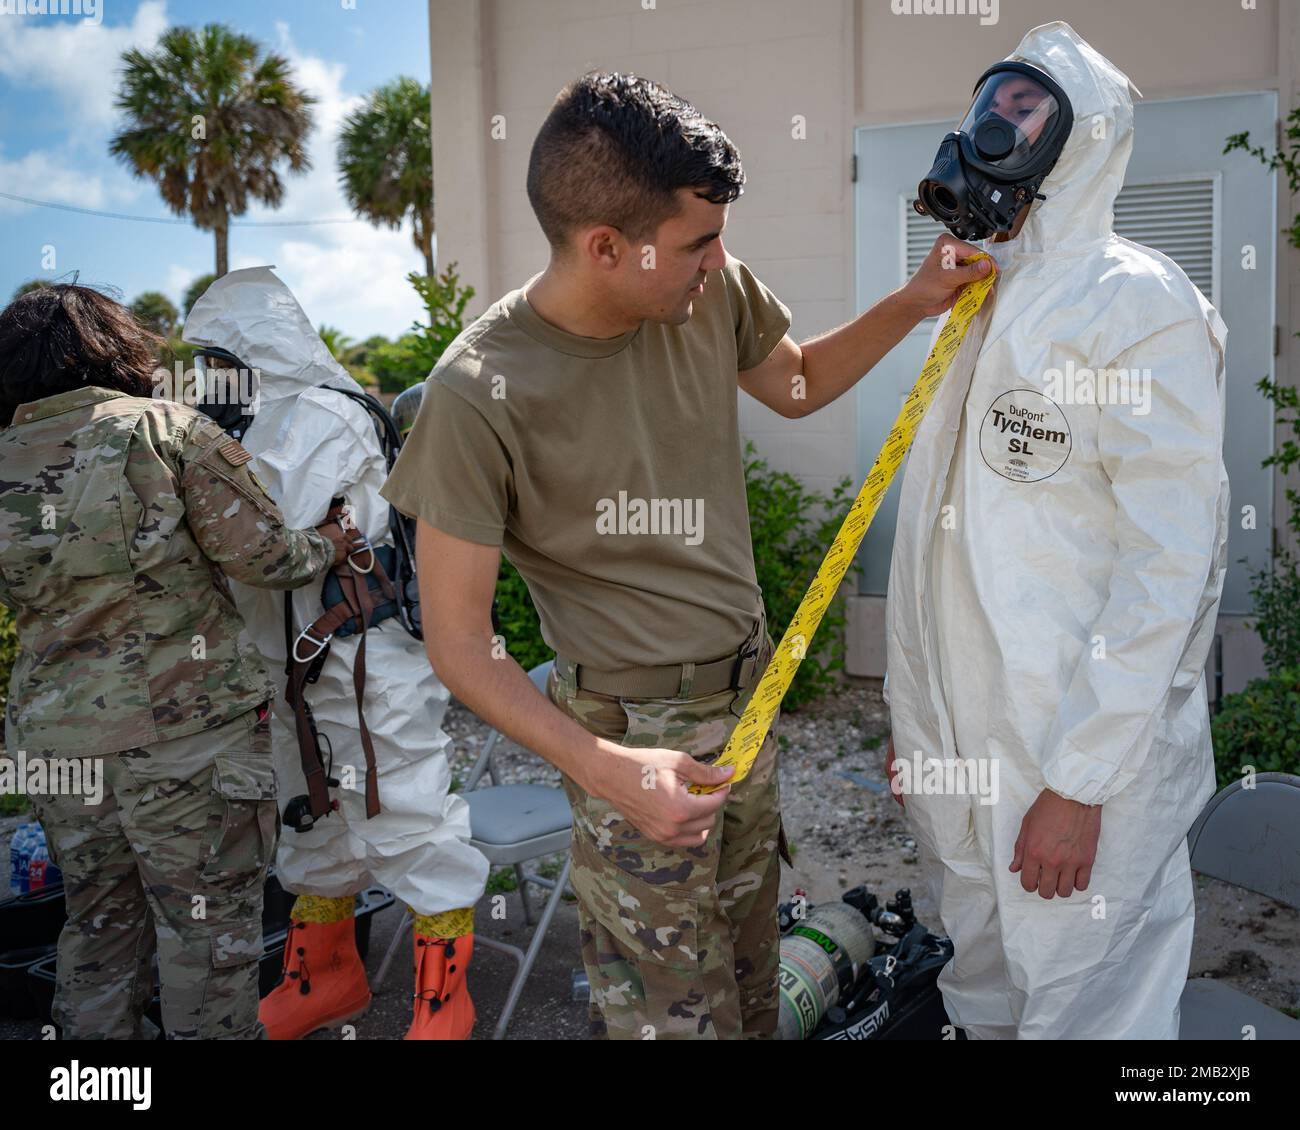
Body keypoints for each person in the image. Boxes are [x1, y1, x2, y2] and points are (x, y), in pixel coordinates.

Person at [381, 71, 988, 1040]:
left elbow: (792, 382)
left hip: (748, 699)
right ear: (606, 246)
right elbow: (460, 643)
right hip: (630, 732)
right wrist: (608, 768)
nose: (720, 259)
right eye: (699, 241)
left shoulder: (707, 295)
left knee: (749, 989)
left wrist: (913, 302)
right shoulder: (476, 392)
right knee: (670, 1016)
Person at [885, 21, 1229, 1040]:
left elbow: (1169, 564)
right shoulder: (982, 294)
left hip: (1075, 766)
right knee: (983, 991)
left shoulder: (1138, 303)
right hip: (971, 751)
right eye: (994, 100)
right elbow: (935, 552)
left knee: (1091, 1008)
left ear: (1083, 139)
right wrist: (921, 727)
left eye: (1028, 109)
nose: (998, 122)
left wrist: (1077, 785)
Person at [0, 283, 348, 1039]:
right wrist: (334, 542)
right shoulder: (163, 429)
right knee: (207, 942)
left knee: (95, 931)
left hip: (58, 750)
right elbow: (267, 556)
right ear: (115, 346)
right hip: (184, 742)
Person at [183, 268, 489, 1040]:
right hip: (292, 672)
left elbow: (264, 527)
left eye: (220, 360)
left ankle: (444, 1004)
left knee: (407, 812)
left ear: (257, 351)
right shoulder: (254, 423)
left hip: (360, 663)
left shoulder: (323, 414)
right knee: (313, 822)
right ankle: (327, 977)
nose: (209, 378)